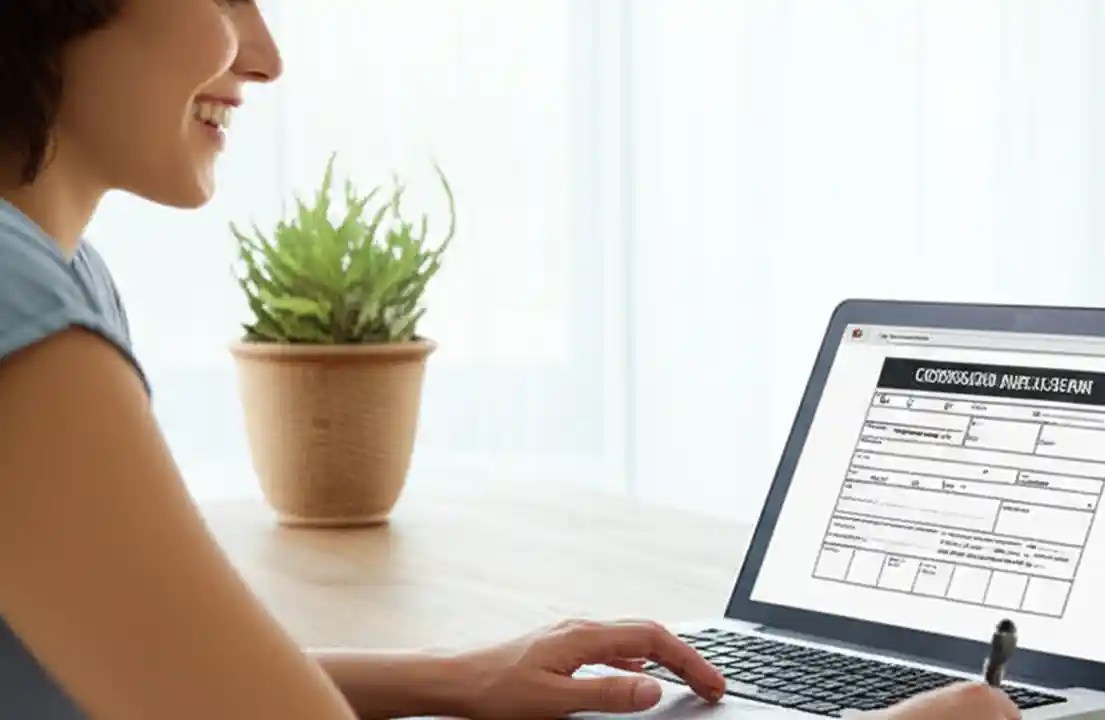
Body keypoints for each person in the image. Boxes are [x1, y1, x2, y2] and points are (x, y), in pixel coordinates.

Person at [0, 2, 1021, 719]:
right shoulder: (19, 296)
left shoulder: (61, 270)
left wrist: (453, 676)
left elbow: (147, 677)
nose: (263, 55)